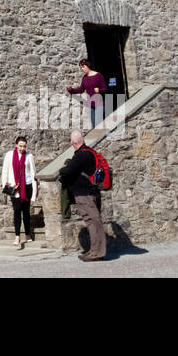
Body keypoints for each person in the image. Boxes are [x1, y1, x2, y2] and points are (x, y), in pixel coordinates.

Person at [59, 130, 106, 261]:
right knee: (93, 221)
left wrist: (62, 169)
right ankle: (94, 251)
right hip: (91, 191)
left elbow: (69, 171)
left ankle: (97, 252)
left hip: (84, 194)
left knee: (92, 221)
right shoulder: (89, 152)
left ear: (74, 143)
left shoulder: (80, 155)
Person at [0, 135, 37, 248]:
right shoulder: (9, 155)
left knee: (26, 211)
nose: (22, 148)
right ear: (16, 145)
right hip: (14, 187)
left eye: (24, 146)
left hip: (27, 186)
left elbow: (33, 173)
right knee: (17, 210)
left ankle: (27, 234)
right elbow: (5, 171)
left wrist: (34, 191)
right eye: (20, 146)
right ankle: (17, 236)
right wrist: (4, 186)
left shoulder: (29, 156)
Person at [67, 58, 108, 130]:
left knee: (99, 125)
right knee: (95, 126)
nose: (82, 69)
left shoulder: (98, 75)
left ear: (88, 65)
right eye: (81, 67)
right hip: (90, 105)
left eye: (83, 67)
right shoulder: (84, 78)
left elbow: (105, 88)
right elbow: (81, 89)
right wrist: (71, 90)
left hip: (99, 104)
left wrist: (99, 90)